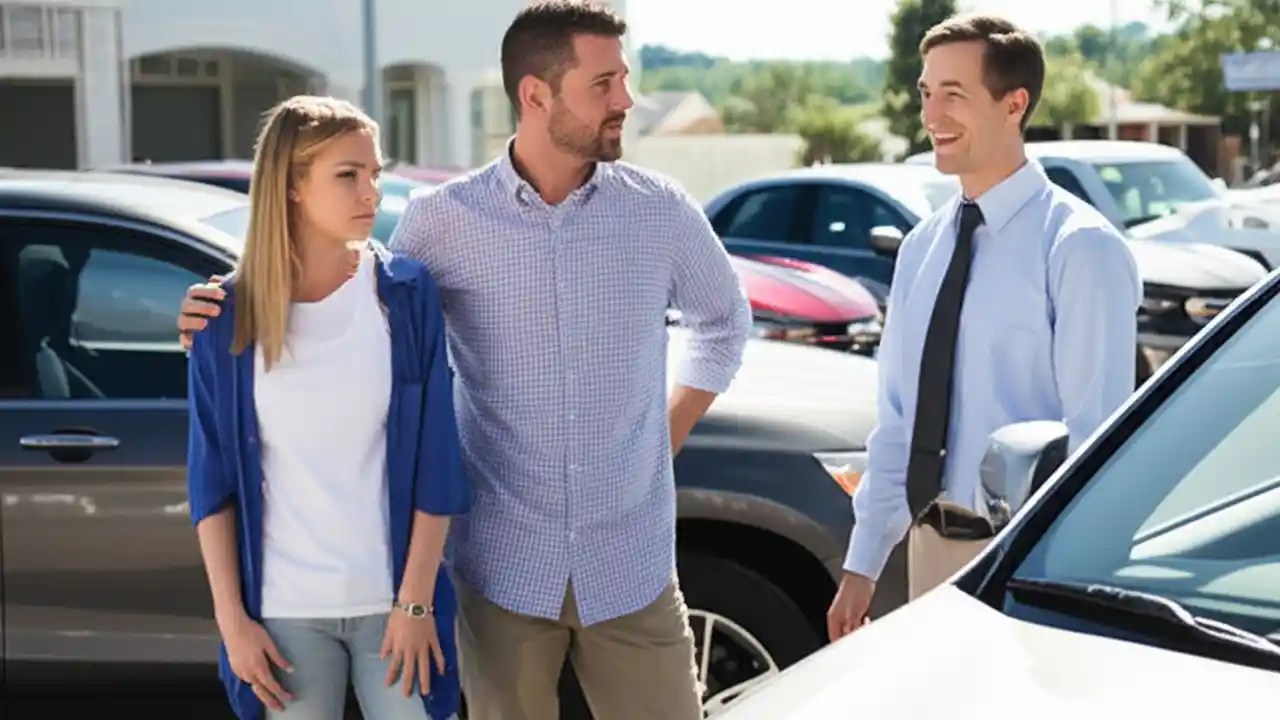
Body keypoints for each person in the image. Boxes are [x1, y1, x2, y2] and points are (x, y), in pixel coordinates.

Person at [178, 2, 752, 718]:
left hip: (630, 564)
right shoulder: (441, 224)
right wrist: (222, 305)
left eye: (623, 80)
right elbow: (349, 302)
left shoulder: (659, 211)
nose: (626, 101)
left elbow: (724, 323)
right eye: (603, 83)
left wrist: (665, 435)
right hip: (501, 568)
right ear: (536, 95)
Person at [826, 13, 1142, 641]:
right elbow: (899, 420)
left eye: (954, 95)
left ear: (1014, 104)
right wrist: (862, 566)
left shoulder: (1080, 248)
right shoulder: (922, 248)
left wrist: (1047, 578)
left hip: (1027, 560)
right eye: (926, 93)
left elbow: (1094, 436)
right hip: (929, 550)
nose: (931, 115)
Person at [185, 95, 469, 720]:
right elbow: (212, 489)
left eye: (374, 173)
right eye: (348, 175)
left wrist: (416, 601)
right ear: (291, 185)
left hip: (395, 606)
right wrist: (233, 625)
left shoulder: (404, 294)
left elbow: (438, 461)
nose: (371, 191)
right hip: (284, 614)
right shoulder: (224, 320)